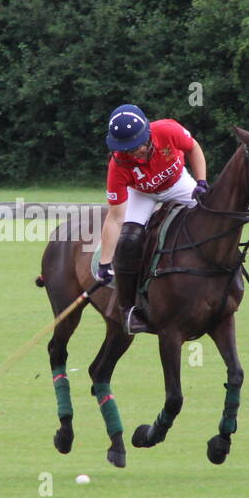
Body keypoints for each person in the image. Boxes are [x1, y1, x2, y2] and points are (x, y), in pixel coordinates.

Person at [95, 104, 208, 334]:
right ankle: (128, 309)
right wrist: (105, 263)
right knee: (129, 239)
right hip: (143, 193)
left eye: (136, 147)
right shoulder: (117, 165)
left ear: (147, 136)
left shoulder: (168, 130)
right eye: (126, 149)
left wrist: (201, 182)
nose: (133, 153)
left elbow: (193, 148)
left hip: (179, 183)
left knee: (210, 217)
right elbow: (115, 218)